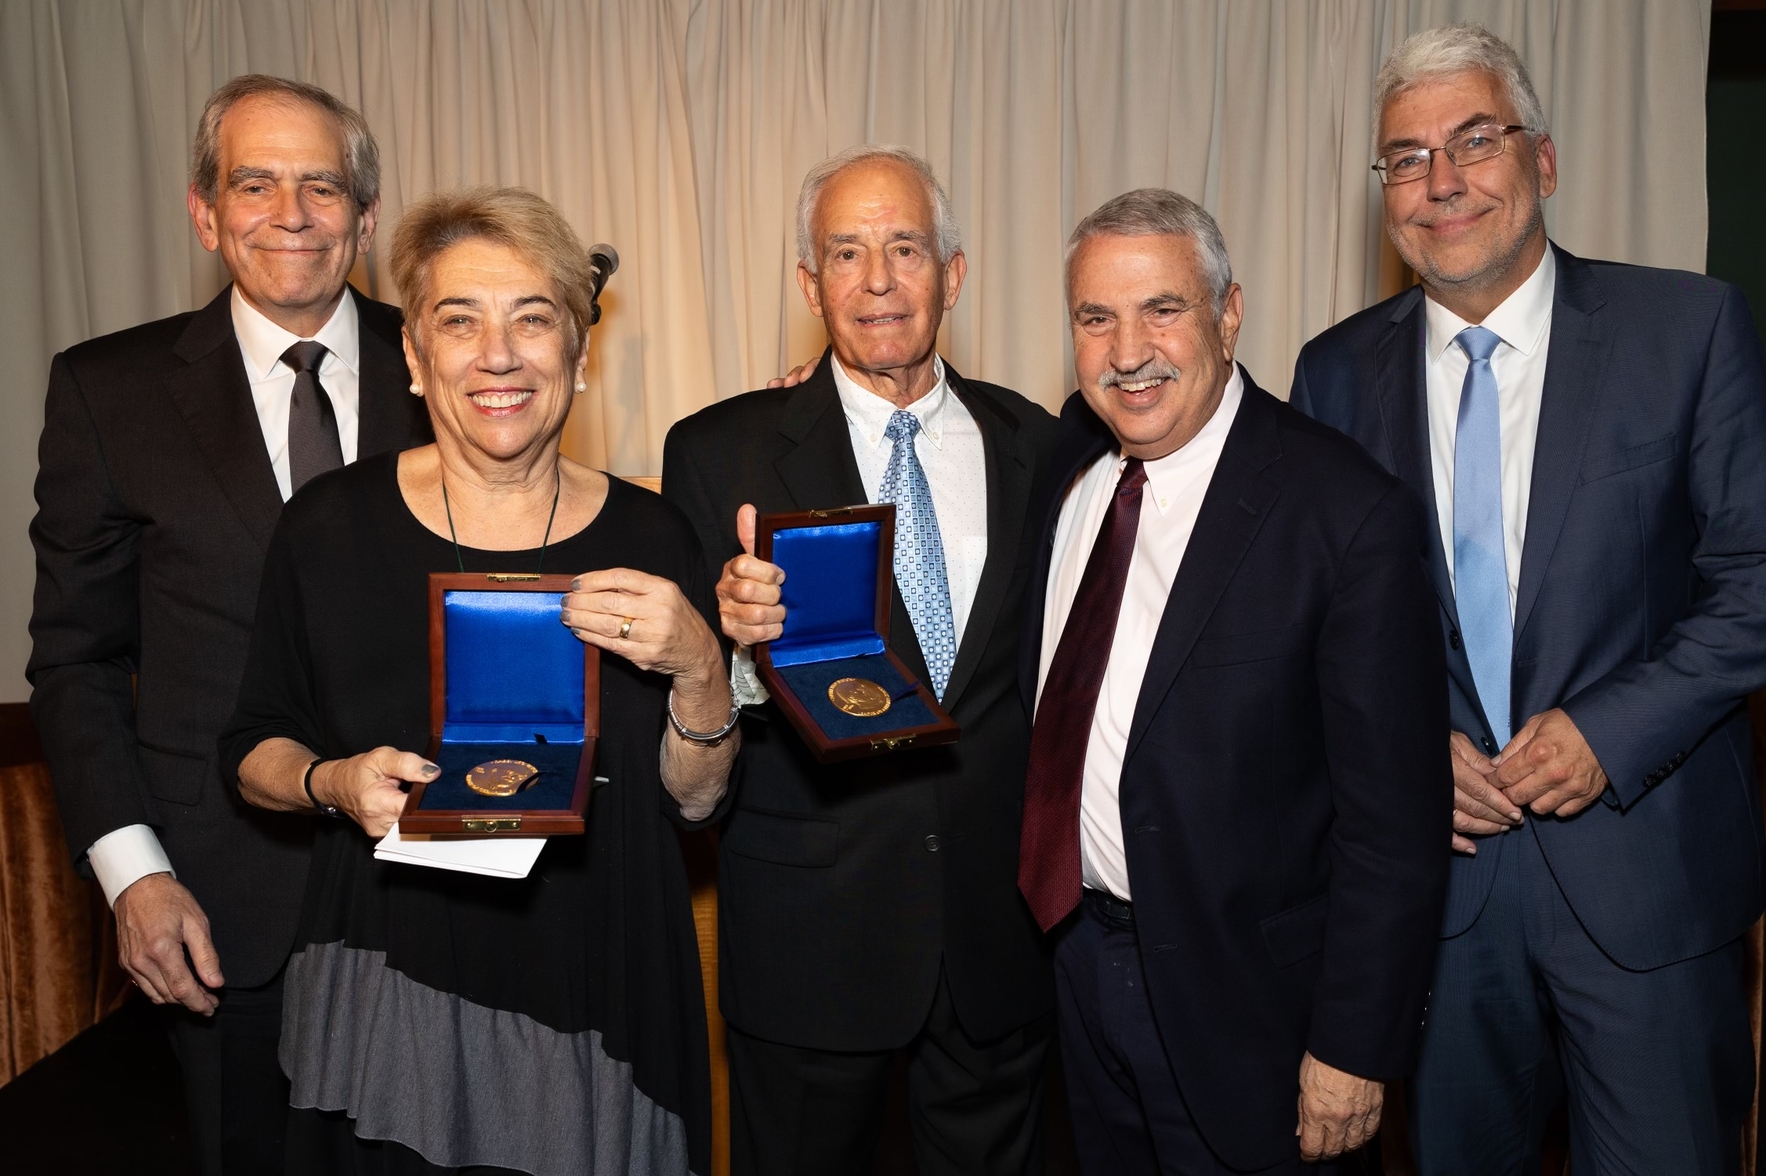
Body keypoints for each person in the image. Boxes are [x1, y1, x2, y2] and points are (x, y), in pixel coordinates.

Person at [1290, 23, 1766, 1174]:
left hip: (1647, 880)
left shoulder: (1685, 330)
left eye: (1472, 141)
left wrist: (1608, 732)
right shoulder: (1332, 374)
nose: (1440, 181)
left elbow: (1752, 580)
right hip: (1439, 900)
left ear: (1539, 159)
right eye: (1405, 158)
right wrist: (1406, 747)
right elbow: (1308, 628)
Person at [219, 187, 733, 1175]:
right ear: (415, 359)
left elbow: (698, 800)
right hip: (393, 983)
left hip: (605, 981)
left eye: (532, 319)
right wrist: (333, 782)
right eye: (459, 322)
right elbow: (251, 750)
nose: (498, 355)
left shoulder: (654, 534)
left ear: (578, 355)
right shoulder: (328, 528)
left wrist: (702, 667)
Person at [27, 75, 430, 1174]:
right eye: (255, 184)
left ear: (366, 215)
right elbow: (76, 660)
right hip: (220, 905)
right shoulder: (109, 393)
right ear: (205, 213)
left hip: (439, 885)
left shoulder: (448, 364)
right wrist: (135, 875)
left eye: (322, 186)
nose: (291, 214)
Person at [1018, 187, 1450, 1174]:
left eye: (1162, 309)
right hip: (1074, 967)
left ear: (1227, 314)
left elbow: (1395, 823)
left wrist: (1353, 1046)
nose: (1128, 351)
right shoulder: (1069, 460)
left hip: (1254, 1016)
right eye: (1096, 318)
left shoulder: (1343, 512)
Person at [664, 145, 1059, 1175]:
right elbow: (693, 700)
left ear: (953, 274)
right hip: (810, 938)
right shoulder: (718, 452)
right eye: (846, 253)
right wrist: (738, 649)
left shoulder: (1042, 445)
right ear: (811, 285)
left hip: (996, 941)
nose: (877, 280)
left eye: (905, 249)